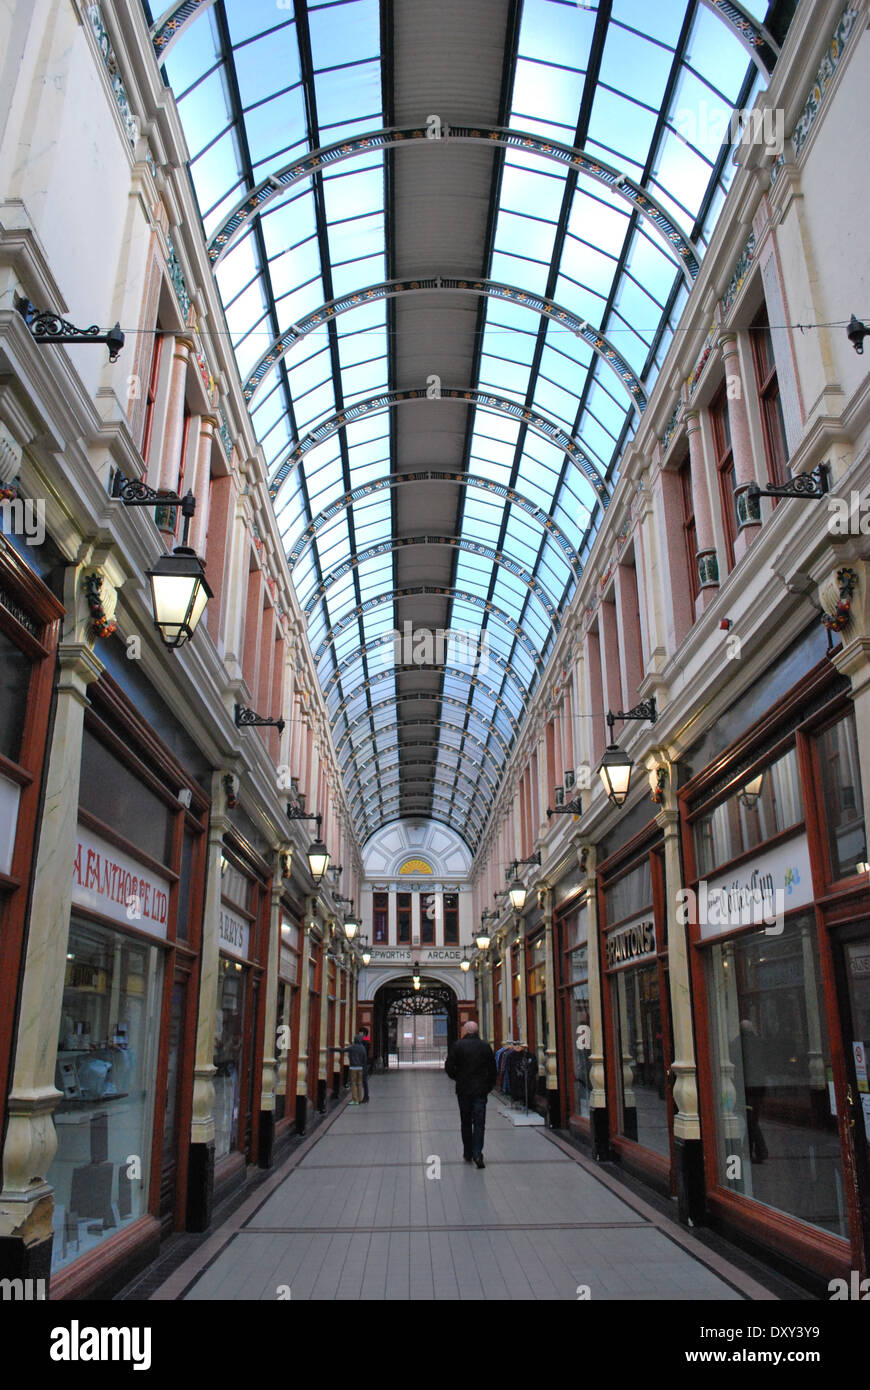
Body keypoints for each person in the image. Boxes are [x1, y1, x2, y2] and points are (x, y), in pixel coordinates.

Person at [445, 1021, 497, 1168]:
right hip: (480, 1091)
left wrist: (457, 1077)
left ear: (466, 1031)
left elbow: (449, 1067)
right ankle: (477, 1153)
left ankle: (467, 1152)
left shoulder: (457, 1046)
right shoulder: (485, 1047)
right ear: (477, 1031)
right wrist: (488, 1086)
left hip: (463, 1090)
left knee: (466, 1121)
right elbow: (493, 1070)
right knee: (480, 1122)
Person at [344, 1034, 368, 1105]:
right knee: (359, 1083)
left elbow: (343, 1050)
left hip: (353, 1067)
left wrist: (332, 1049)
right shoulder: (363, 1048)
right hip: (360, 1068)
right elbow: (365, 1059)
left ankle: (355, 1099)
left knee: (353, 1083)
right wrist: (364, 1068)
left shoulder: (352, 1047)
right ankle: (360, 1098)